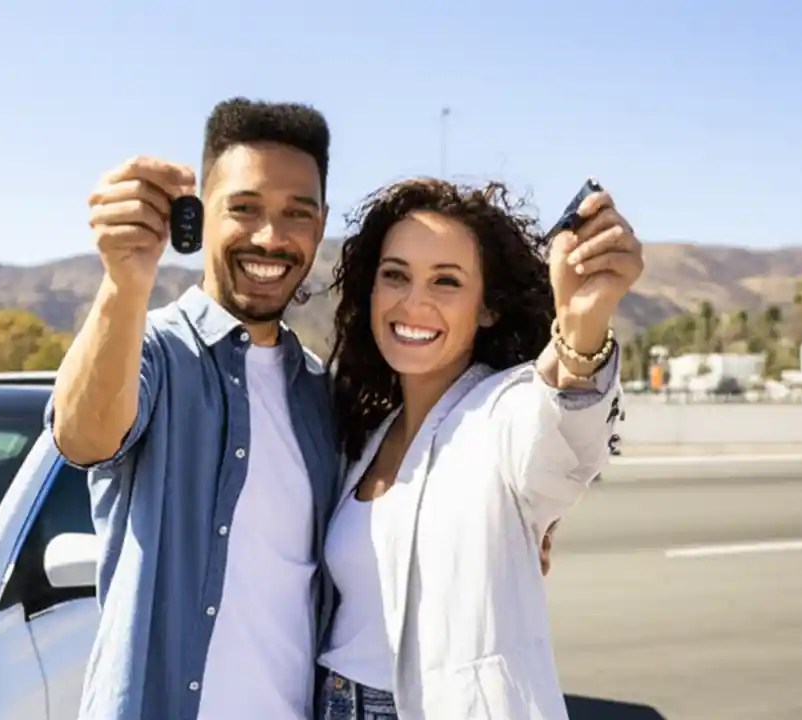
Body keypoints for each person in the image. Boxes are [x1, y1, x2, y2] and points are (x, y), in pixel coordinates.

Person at [47, 97, 342, 720]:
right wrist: (124, 281)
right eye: (244, 209)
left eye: (297, 214)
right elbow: (83, 437)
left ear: (319, 228)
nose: (271, 236)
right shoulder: (152, 350)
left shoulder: (318, 393)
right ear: (199, 215)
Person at [315, 178, 639, 719]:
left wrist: (582, 328)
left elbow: (559, 417)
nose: (413, 302)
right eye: (395, 275)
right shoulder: (367, 433)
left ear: (487, 308)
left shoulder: (500, 411)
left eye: (446, 282)